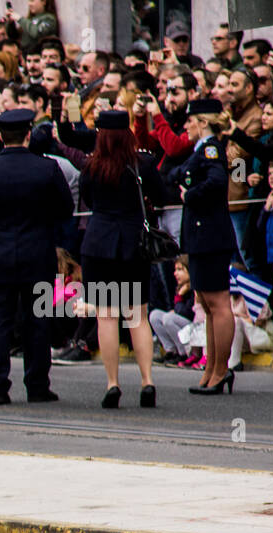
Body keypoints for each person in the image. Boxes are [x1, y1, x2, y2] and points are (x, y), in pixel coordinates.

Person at [0, 109, 73, 404]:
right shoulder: (47, 168)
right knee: (37, 321)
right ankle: (37, 385)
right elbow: (65, 210)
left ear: (0, 137)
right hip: (37, 255)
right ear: (28, 134)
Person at [78, 111, 165, 409]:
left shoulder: (92, 166)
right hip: (132, 245)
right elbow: (161, 194)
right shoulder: (143, 163)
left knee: (106, 316)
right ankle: (147, 381)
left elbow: (88, 200)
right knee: (138, 316)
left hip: (100, 244)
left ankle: (113, 383)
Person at [172, 99, 239, 395]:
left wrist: (191, 195)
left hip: (210, 235)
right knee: (208, 306)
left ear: (201, 121)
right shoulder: (202, 149)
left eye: (189, 121)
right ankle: (212, 368)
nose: (185, 126)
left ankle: (221, 369)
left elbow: (216, 181)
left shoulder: (210, 148)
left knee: (218, 303)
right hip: (202, 235)